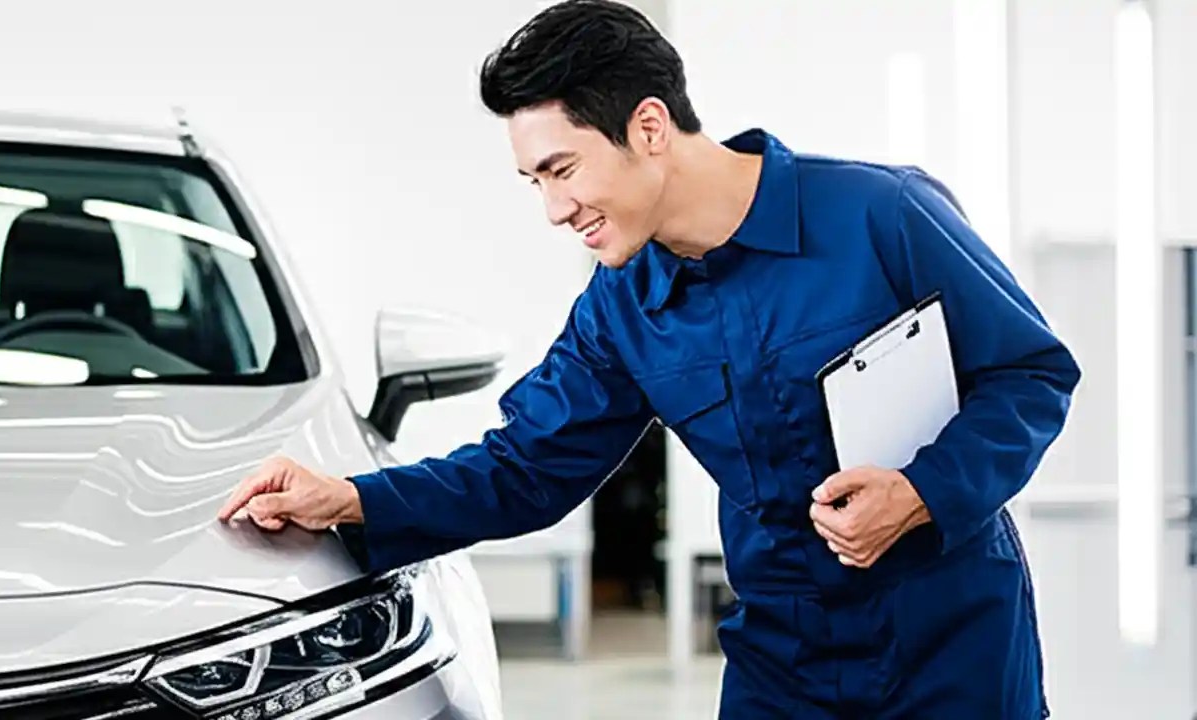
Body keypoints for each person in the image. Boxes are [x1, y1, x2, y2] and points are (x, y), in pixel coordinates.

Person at [217, 1, 1080, 717]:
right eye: (534, 182)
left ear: (650, 127)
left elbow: (1030, 374)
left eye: (563, 169)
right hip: (785, 660)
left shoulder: (879, 214)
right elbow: (525, 469)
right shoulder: (619, 311)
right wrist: (352, 501)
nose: (555, 209)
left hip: (954, 641)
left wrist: (924, 492)